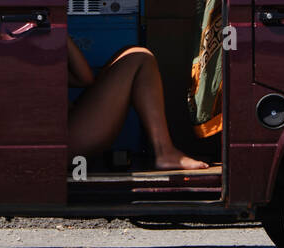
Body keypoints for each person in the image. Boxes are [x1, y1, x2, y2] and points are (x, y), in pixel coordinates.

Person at [67, 34, 209, 171]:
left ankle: (165, 151)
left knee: (132, 53)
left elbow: (84, 78)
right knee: (140, 59)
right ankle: (164, 151)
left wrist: (60, 31)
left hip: (70, 130)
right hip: (63, 141)